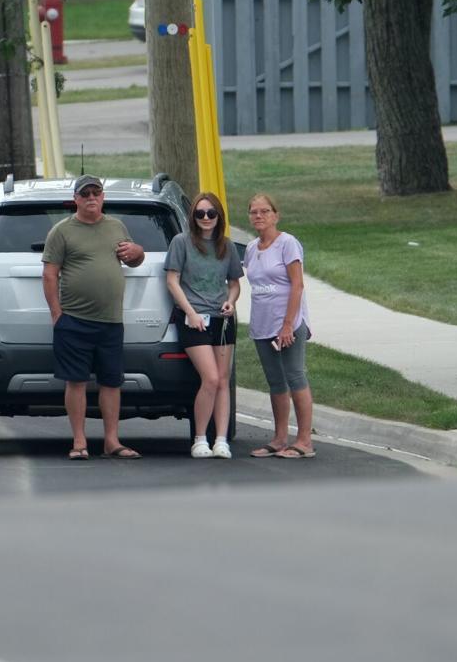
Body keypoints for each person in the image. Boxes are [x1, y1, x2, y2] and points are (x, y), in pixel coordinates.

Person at [42, 174, 147, 460]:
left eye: (96, 193)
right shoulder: (62, 232)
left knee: (111, 382)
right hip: (74, 320)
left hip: (111, 321)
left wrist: (138, 252)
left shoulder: (116, 226)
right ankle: (79, 441)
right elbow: (50, 274)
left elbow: (134, 259)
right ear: (75, 199)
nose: (91, 198)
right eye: (85, 193)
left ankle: (112, 441)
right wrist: (57, 315)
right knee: (75, 382)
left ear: (102, 197)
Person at [165, 192, 242, 459]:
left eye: (211, 213)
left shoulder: (227, 246)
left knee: (222, 380)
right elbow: (172, 281)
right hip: (193, 320)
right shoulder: (181, 243)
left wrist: (231, 302)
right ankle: (200, 439)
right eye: (200, 213)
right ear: (193, 217)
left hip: (222, 320)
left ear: (219, 216)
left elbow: (234, 284)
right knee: (209, 378)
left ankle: (221, 440)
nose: (206, 218)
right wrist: (190, 312)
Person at [243, 192, 316, 459]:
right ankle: (279, 438)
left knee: (295, 376)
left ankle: (305, 441)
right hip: (262, 324)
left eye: (264, 211)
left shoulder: (288, 244)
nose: (259, 216)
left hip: (287, 323)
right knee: (275, 382)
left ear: (276, 215)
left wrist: (287, 325)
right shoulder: (252, 248)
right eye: (254, 212)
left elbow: (297, 284)